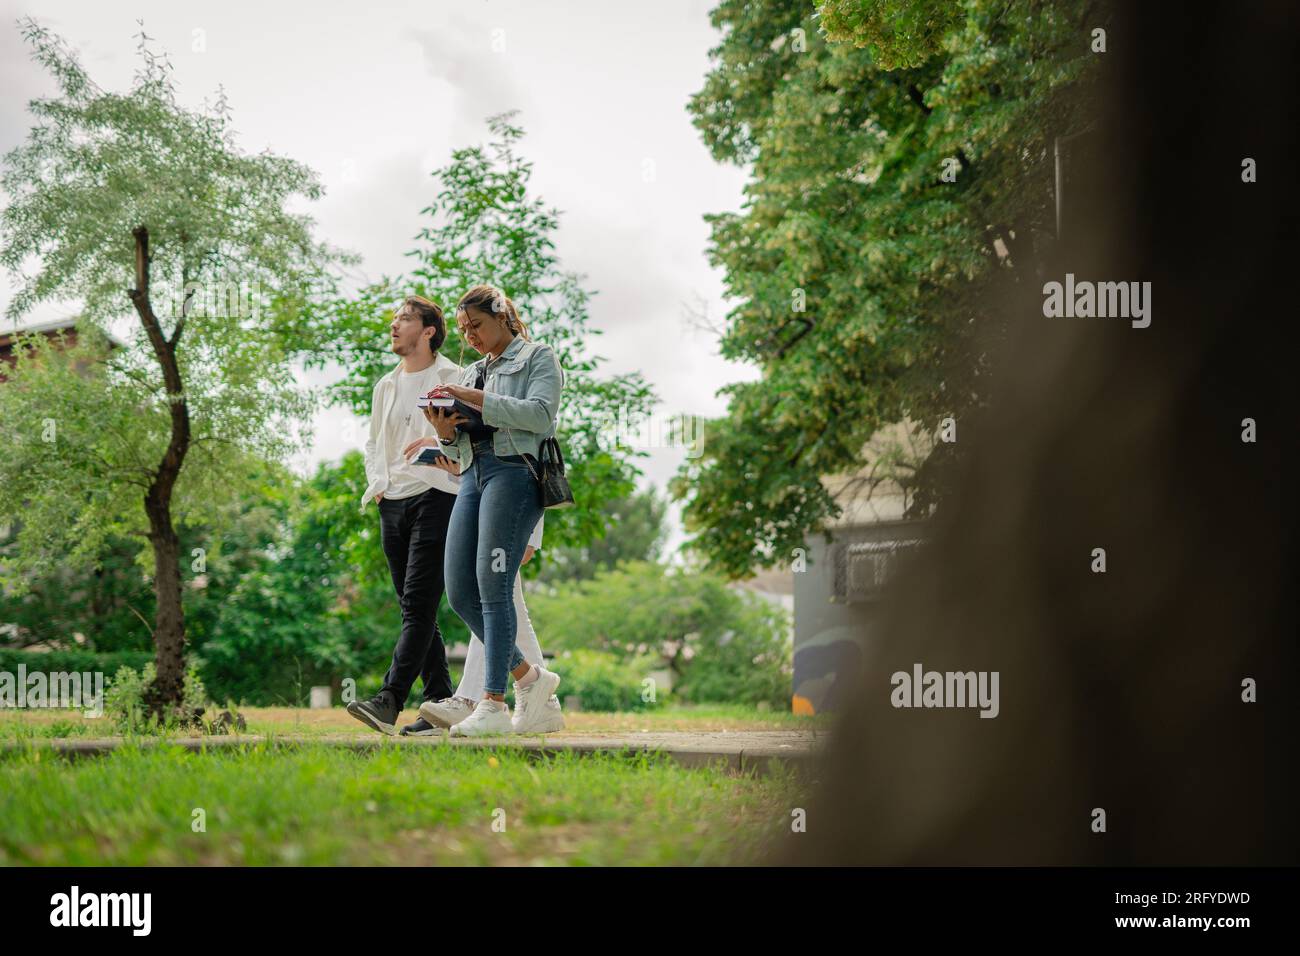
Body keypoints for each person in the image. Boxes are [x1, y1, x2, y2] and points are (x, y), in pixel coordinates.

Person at [412, 284, 563, 736]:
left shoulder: (539, 357)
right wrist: (443, 430)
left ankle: (492, 705)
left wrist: (473, 398)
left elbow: (541, 416)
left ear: (503, 315)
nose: (471, 336)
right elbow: (460, 448)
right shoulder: (476, 370)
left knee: (493, 587)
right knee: (460, 590)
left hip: (516, 474)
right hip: (474, 476)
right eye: (463, 329)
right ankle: (532, 680)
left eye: (476, 325)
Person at [345, 296, 463, 735]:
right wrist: (377, 487)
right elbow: (375, 443)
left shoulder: (454, 377)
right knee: (415, 609)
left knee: (417, 604)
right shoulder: (386, 385)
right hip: (391, 502)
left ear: (429, 331)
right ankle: (437, 703)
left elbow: (463, 437)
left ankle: (388, 699)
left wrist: (434, 449)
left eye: (405, 319)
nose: (395, 325)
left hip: (436, 495)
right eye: (395, 319)